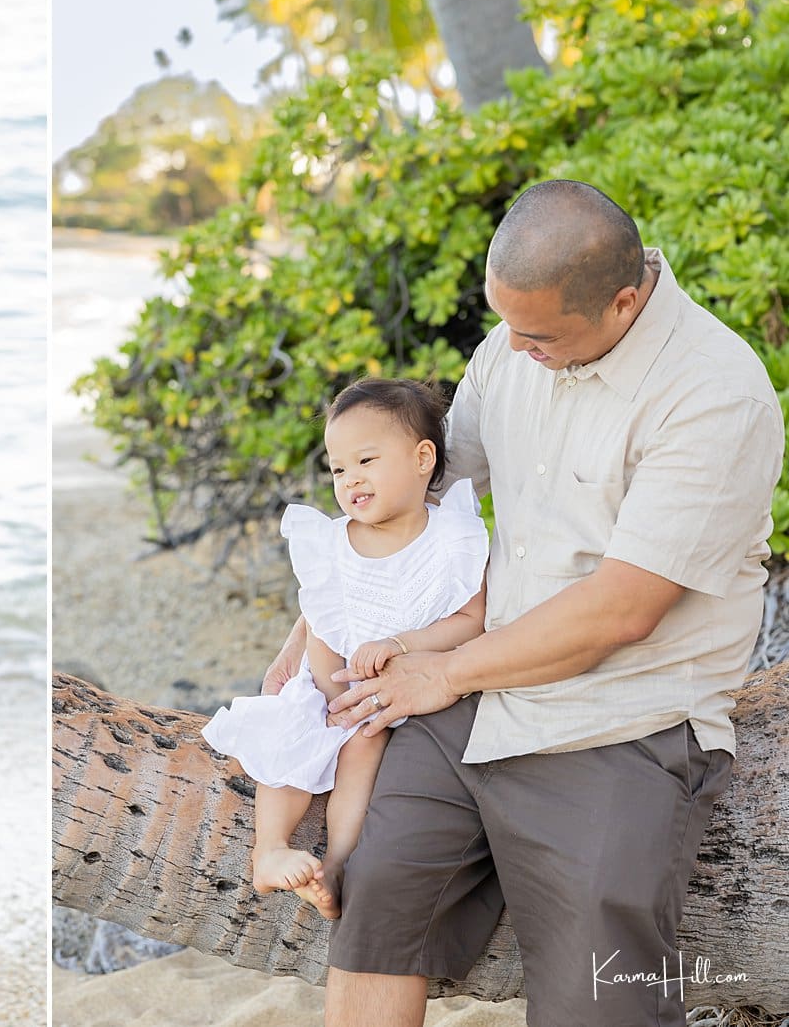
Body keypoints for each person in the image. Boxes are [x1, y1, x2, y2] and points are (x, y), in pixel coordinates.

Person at [262, 180, 781, 1027]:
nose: (512, 347)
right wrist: (313, 625)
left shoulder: (716, 394)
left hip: (625, 717)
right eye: (505, 324)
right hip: (484, 690)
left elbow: (623, 609)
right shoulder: (513, 349)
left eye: (536, 335)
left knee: (597, 999)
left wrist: (445, 673)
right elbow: (418, 504)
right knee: (376, 895)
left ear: (623, 301)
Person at [202, 379, 487, 919]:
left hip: (408, 684)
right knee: (295, 730)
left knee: (364, 751)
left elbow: (470, 620)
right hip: (332, 682)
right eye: (337, 468)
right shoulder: (331, 542)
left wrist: (402, 645)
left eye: (366, 460)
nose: (350, 478)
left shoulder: (452, 536)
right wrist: (331, 687)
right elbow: (323, 617)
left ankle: (335, 861)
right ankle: (269, 849)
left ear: (422, 457)